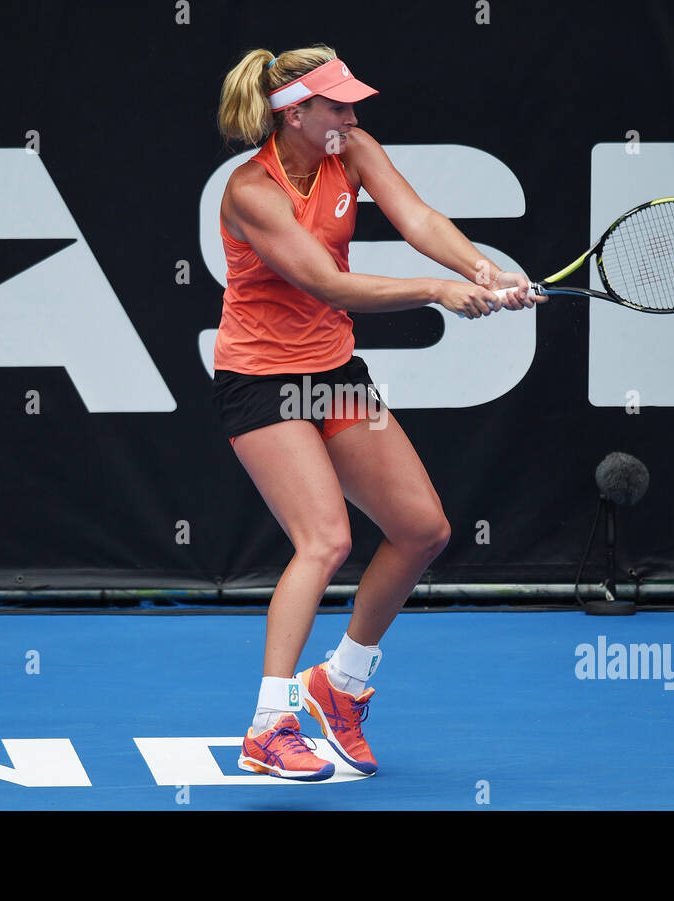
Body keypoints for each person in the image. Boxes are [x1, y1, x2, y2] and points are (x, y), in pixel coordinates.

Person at [213, 45, 537, 778]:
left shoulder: (349, 149)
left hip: (333, 373)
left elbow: (417, 215)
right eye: (338, 106)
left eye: (351, 106)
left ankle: (344, 680)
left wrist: (483, 272)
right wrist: (436, 292)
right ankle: (269, 724)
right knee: (324, 540)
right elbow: (328, 284)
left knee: (423, 529)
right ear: (297, 115)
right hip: (261, 381)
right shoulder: (249, 191)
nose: (352, 117)